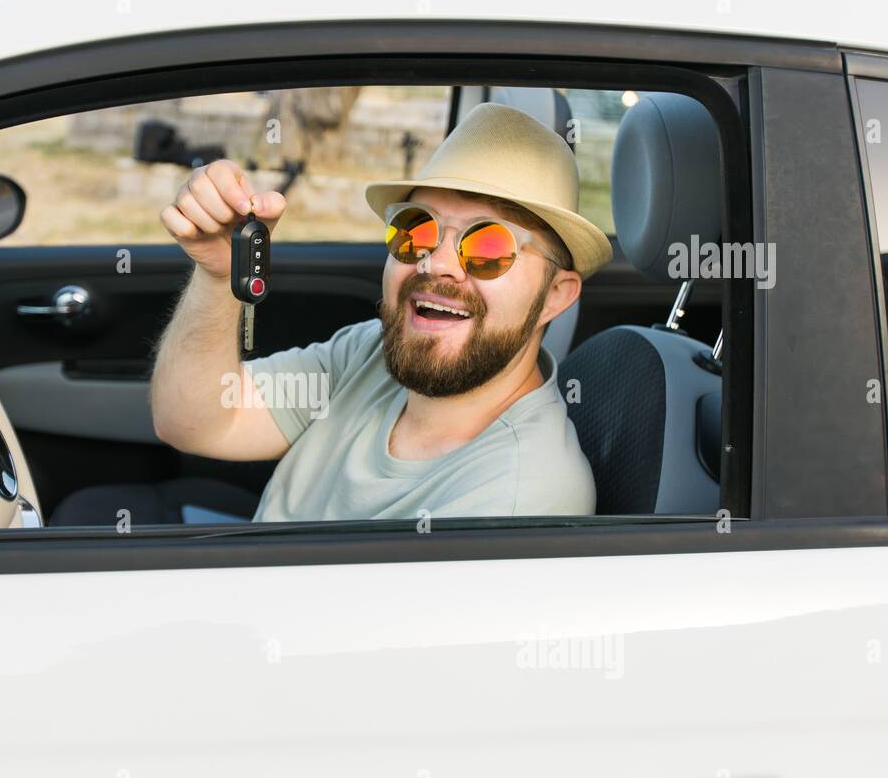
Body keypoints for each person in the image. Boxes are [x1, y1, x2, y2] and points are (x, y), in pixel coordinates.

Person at [150, 102, 613, 521]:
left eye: (489, 245)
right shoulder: (368, 353)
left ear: (557, 294)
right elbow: (199, 421)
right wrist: (218, 277)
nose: (437, 264)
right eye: (416, 230)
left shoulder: (517, 498)